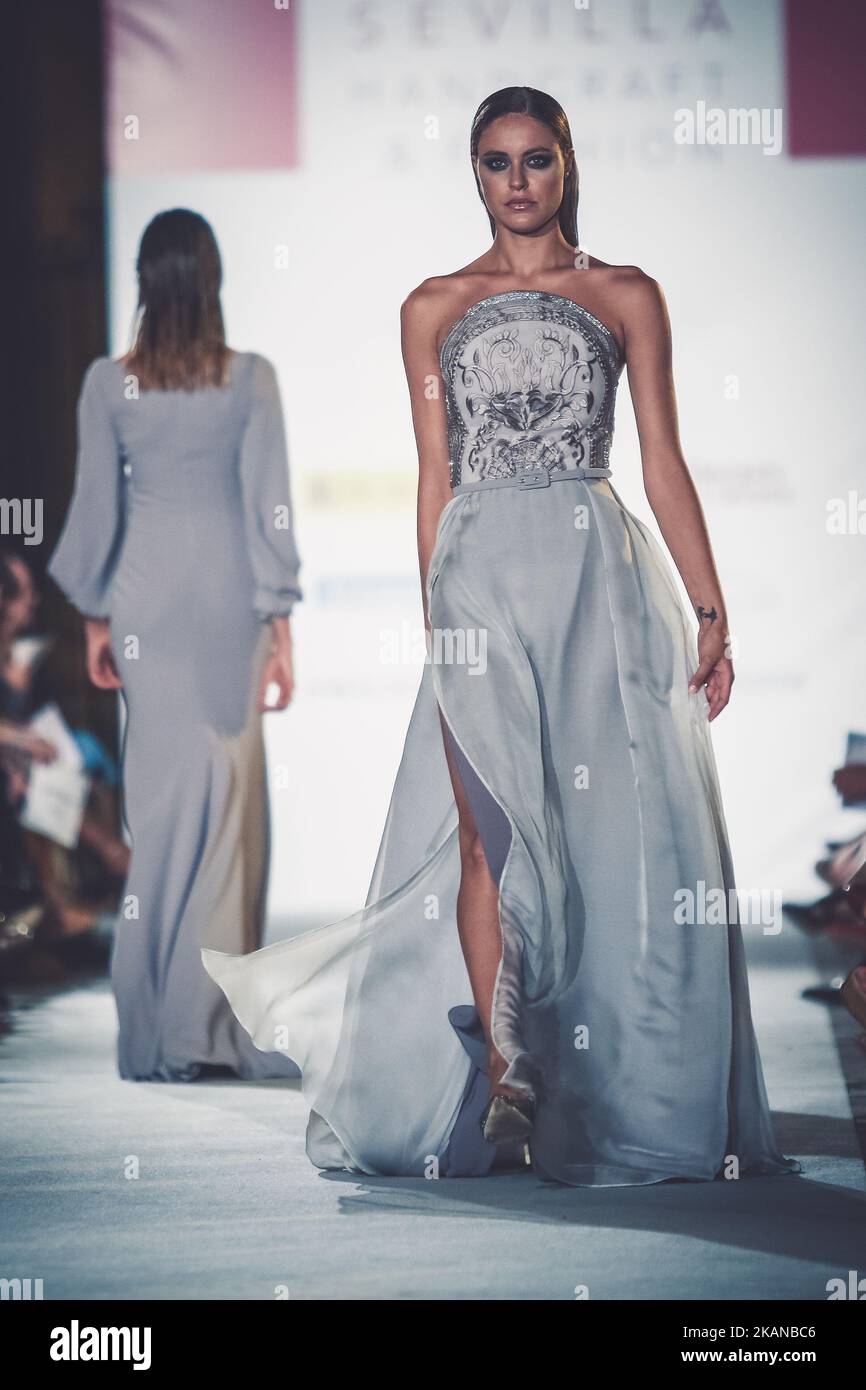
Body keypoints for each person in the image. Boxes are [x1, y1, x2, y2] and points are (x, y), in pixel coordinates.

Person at [203, 88, 799, 1186]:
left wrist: (709, 608)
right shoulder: (430, 306)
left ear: (565, 163)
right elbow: (433, 474)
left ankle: (611, 1083)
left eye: (533, 159)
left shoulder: (625, 294)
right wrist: (436, 622)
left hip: (594, 574)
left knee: (612, 837)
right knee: (489, 832)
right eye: (493, 163)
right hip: (476, 575)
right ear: (472, 175)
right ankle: (511, 1071)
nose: (515, 181)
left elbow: (659, 458)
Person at [49, 209, 303, 1081]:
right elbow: (268, 505)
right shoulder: (250, 380)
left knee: (158, 819)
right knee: (228, 815)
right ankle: (206, 1028)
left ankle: (156, 1032)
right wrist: (280, 622)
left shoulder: (106, 384)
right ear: (214, 278)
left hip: (144, 603)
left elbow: (95, 512)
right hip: (229, 601)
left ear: (146, 284)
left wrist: (93, 619)